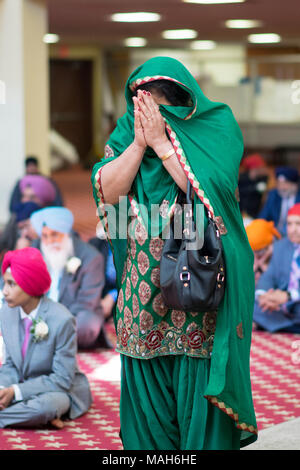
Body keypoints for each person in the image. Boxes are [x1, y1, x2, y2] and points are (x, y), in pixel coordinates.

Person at [91, 56, 257, 450]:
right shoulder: (125, 137)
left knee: (198, 413)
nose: (146, 115)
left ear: (183, 106)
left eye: (158, 107)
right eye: (140, 105)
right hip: (141, 305)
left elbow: (212, 200)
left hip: (198, 303)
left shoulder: (215, 129)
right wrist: (138, 144)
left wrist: (166, 146)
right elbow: (108, 196)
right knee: (149, 426)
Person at [0, 247, 92, 429]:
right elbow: (10, 364)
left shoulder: (62, 320)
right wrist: (3, 389)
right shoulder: (6, 312)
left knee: (46, 406)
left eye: (12, 284)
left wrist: (15, 392)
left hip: (58, 389)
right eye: (4, 283)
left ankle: (34, 412)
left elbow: (61, 380)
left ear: (30, 284)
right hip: (20, 383)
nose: (4, 291)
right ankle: (28, 414)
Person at [29, 207, 111, 349]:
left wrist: (52, 323)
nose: (49, 241)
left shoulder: (91, 257)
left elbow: (86, 302)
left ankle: (46, 341)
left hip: (72, 316)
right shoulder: (35, 249)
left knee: (87, 323)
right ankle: (51, 342)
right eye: (45, 236)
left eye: (55, 234)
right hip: (38, 314)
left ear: (66, 233)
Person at [253, 203, 300, 333]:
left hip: (294, 303)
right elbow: (269, 276)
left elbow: (288, 295)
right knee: (249, 303)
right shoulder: (281, 246)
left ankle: (276, 325)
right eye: (290, 224)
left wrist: (288, 295)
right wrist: (264, 296)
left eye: (298, 224)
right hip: (281, 307)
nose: (293, 229)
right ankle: (288, 326)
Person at [258, 166, 300, 235]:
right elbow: (263, 217)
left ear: (294, 184)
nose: (281, 187)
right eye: (279, 183)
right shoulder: (273, 194)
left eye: (285, 183)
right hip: (275, 234)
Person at [246, 219, 281, 284]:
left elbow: (278, 280)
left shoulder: (277, 253)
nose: (258, 254)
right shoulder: (248, 256)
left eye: (261, 250)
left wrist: (263, 260)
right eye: (255, 251)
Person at [238, 153, 269, 219]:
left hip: (256, 213)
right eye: (260, 167)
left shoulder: (263, 178)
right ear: (254, 168)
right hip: (241, 213)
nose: (263, 169)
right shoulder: (242, 178)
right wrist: (255, 188)